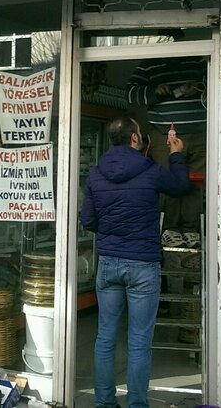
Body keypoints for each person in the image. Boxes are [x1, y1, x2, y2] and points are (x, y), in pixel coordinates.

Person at [80, 116, 191, 408]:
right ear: (133, 139)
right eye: (140, 134)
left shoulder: (95, 174)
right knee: (139, 341)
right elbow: (181, 187)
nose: (142, 138)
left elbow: (88, 220)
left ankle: (104, 403)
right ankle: (137, 405)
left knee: (105, 337)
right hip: (142, 264)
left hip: (109, 264)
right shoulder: (150, 169)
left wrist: (113, 231)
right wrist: (176, 154)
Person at [125, 56, 206, 247]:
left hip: (200, 131)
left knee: (196, 180)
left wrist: (200, 87)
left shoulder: (198, 61)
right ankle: (170, 229)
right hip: (163, 132)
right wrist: (154, 91)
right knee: (167, 179)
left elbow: (219, 81)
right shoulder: (148, 64)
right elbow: (130, 95)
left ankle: (190, 229)